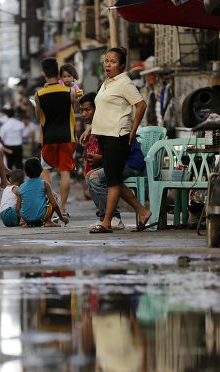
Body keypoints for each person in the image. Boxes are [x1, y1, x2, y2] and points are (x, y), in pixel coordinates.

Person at [89, 47, 151, 233]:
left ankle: (107, 222)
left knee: (113, 181)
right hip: (105, 137)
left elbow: (141, 104)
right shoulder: (107, 82)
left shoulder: (124, 82)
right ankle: (142, 211)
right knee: (114, 178)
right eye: (106, 61)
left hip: (117, 136)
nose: (108, 64)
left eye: (113, 61)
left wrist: (133, 130)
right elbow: (103, 110)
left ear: (122, 65)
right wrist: (89, 128)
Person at [80, 92, 147, 230]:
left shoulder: (108, 123)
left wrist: (101, 158)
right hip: (118, 162)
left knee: (96, 178)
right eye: (81, 110)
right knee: (92, 176)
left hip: (131, 162)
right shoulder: (99, 125)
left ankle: (113, 218)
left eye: (87, 110)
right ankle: (138, 212)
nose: (83, 114)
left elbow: (121, 151)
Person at [34, 58, 76, 218]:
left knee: (46, 170)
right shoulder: (69, 92)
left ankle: (51, 206)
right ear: (58, 72)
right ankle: (63, 208)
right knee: (65, 171)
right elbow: (72, 107)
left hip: (48, 137)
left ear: (44, 73)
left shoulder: (39, 94)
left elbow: (38, 116)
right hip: (67, 135)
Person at [15, 157, 69, 227]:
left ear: (26, 173)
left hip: (26, 218)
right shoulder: (44, 184)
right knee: (54, 196)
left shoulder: (21, 187)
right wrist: (62, 218)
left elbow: (17, 209)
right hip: (41, 217)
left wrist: (25, 218)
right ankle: (48, 221)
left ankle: (27, 223)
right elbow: (54, 205)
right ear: (41, 170)